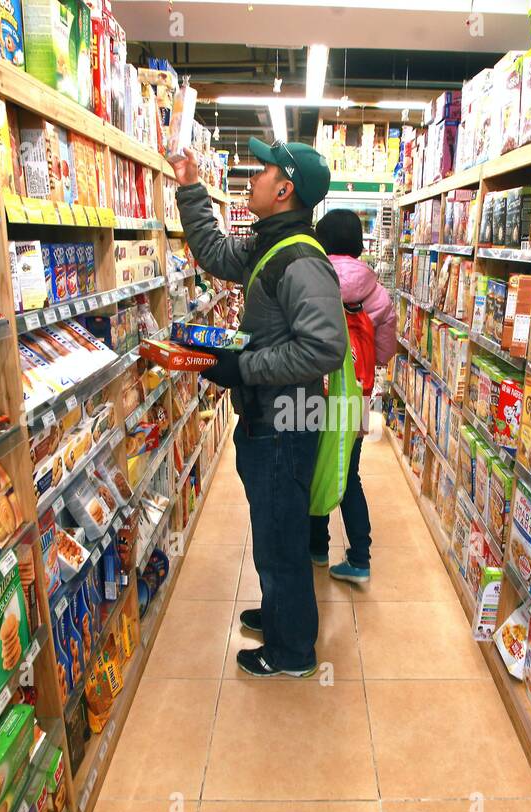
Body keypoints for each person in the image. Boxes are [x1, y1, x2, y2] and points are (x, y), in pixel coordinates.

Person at [171, 138, 346, 678]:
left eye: (265, 168)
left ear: (285, 189)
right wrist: (190, 186)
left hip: (286, 421)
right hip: (269, 416)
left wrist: (241, 366)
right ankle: (279, 613)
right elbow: (217, 255)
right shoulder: (272, 242)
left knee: (281, 537)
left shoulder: (300, 259)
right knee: (273, 528)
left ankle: (292, 651)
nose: (254, 174)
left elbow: (323, 347)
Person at [309, 209, 397, 584]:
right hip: (355, 397)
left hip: (312, 393)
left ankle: (316, 547)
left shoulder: (310, 282)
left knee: (313, 467)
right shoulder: (378, 295)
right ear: (360, 245)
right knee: (348, 473)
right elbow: (385, 351)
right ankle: (359, 557)